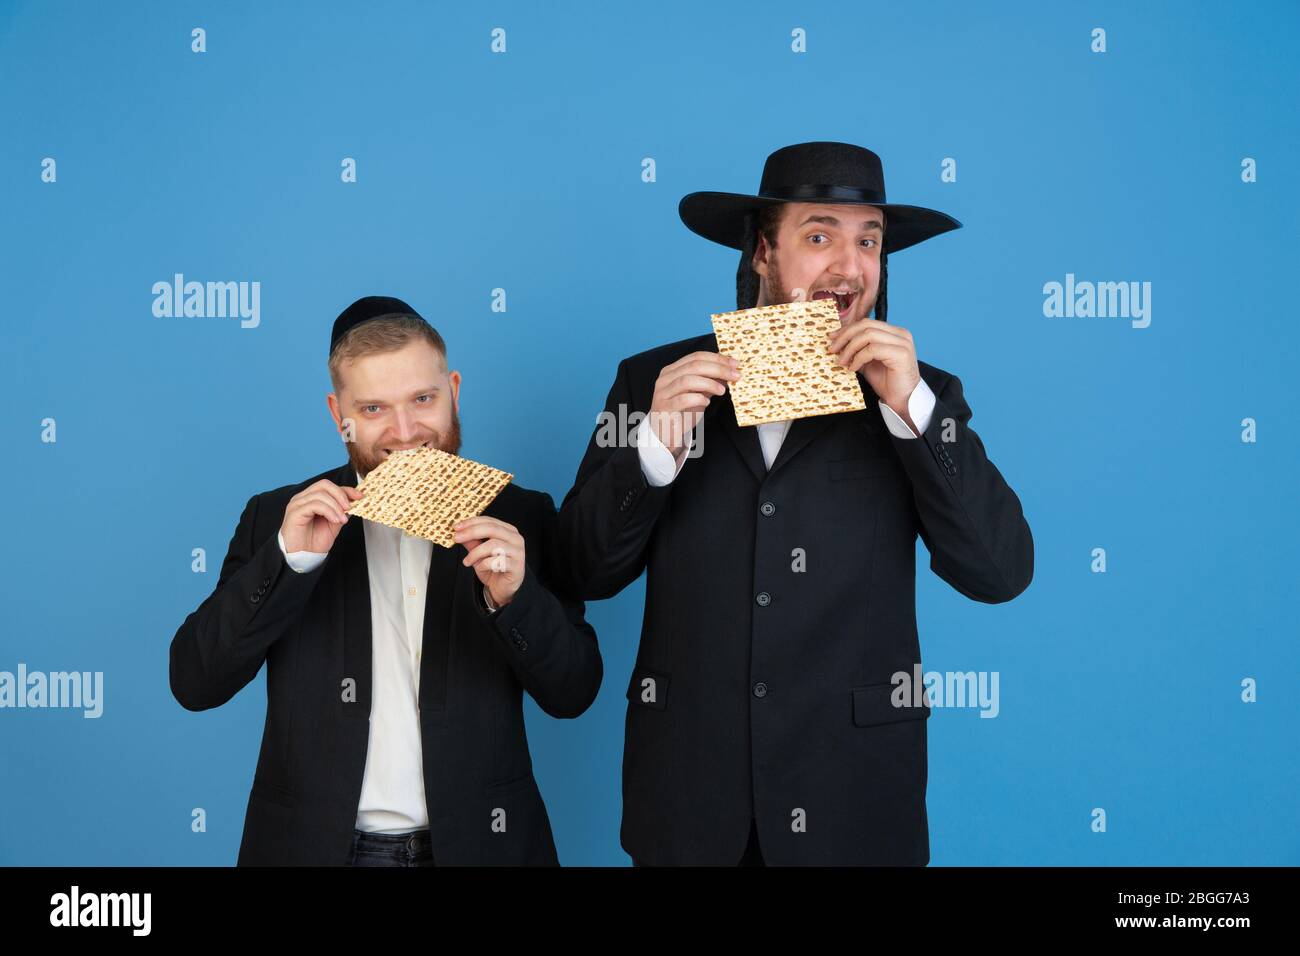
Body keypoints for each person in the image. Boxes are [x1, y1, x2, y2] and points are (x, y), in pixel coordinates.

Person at [555, 142, 1034, 865]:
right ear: (761, 253)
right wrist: (653, 448)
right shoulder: (651, 381)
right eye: (819, 236)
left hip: (854, 799)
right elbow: (582, 572)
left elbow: (1000, 573)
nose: (849, 266)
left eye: (867, 241)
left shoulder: (923, 394)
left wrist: (914, 411)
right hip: (690, 801)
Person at [169, 295, 601, 865]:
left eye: (423, 399)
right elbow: (195, 682)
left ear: (453, 390)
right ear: (337, 412)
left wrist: (515, 600)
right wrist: (289, 561)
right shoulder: (276, 518)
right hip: (316, 851)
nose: (405, 432)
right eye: (373, 409)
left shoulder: (519, 516)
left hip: (481, 846)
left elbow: (574, 693)